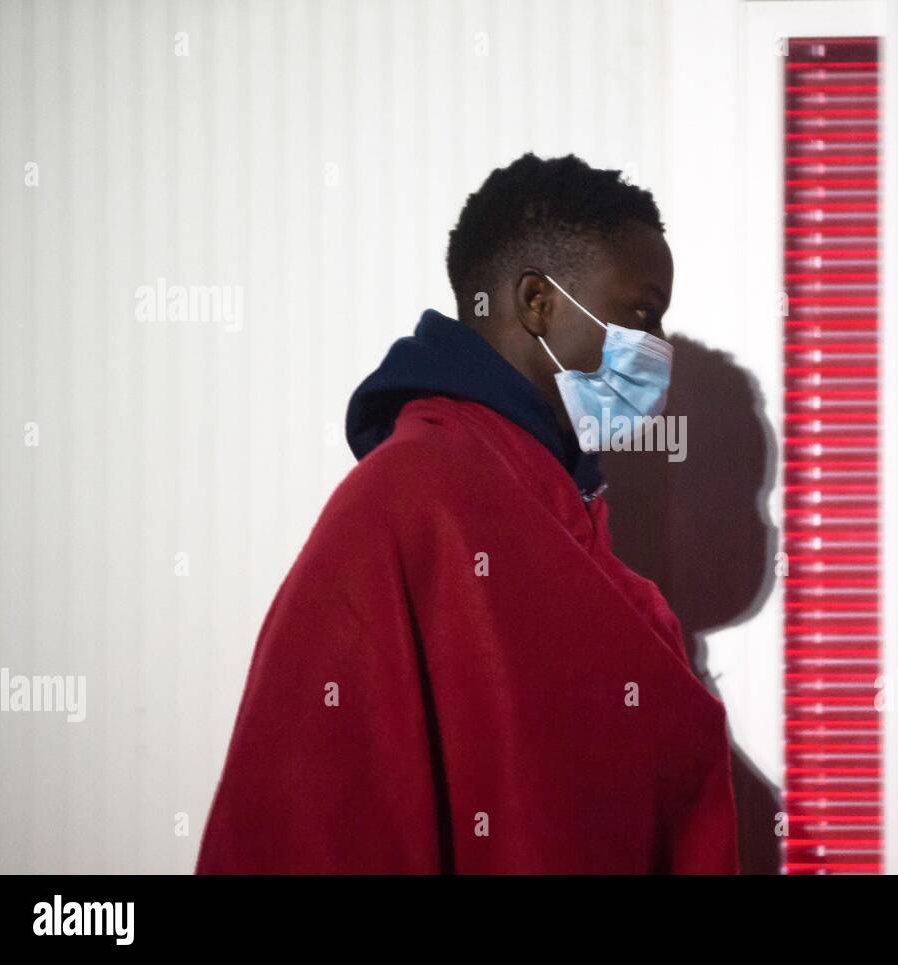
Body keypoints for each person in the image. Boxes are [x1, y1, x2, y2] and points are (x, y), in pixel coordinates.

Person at [194, 152, 740, 874]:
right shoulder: (410, 502)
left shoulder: (572, 529)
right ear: (539, 301)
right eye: (644, 310)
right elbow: (301, 822)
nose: (659, 346)